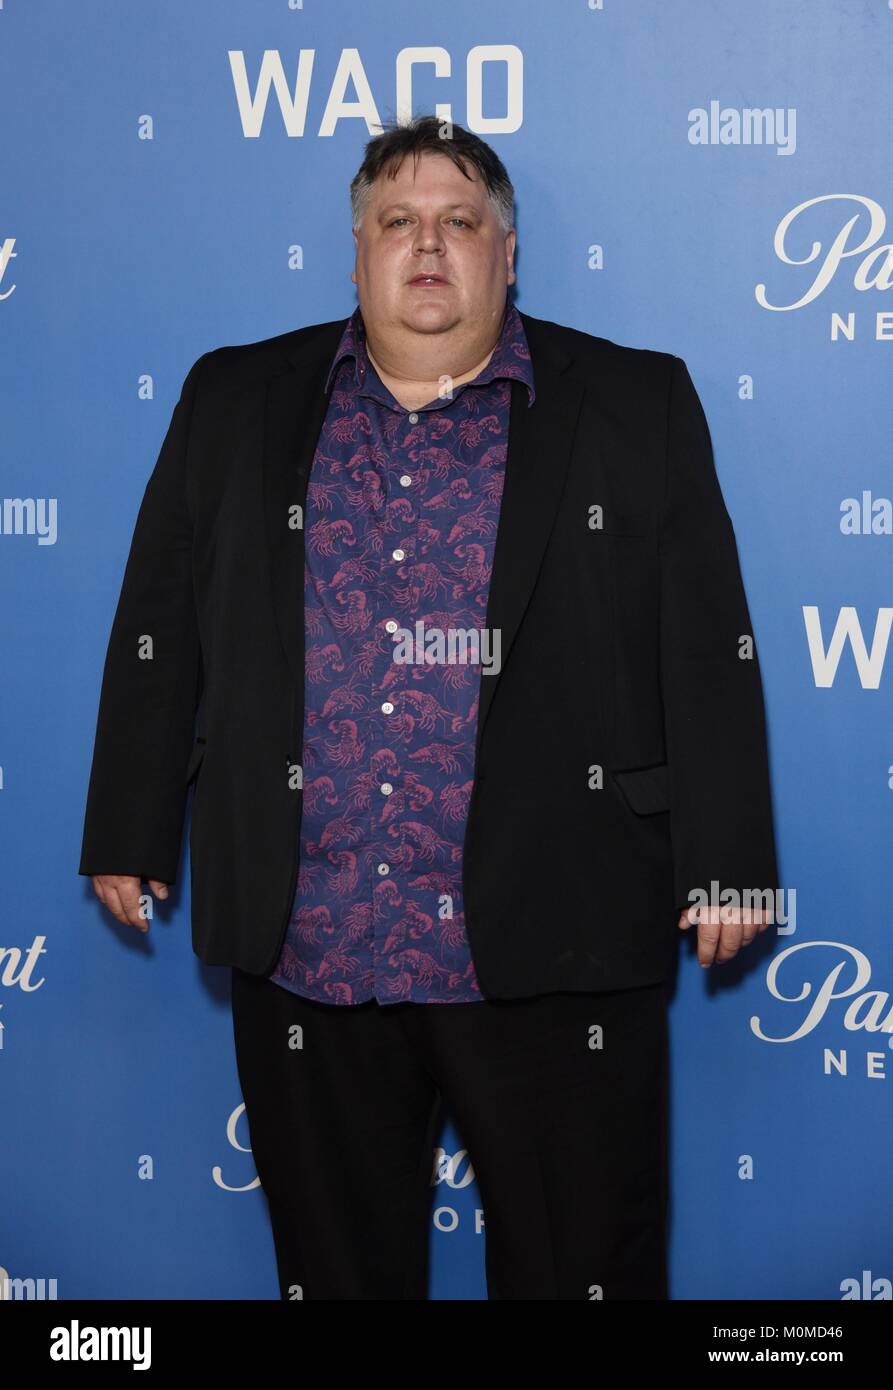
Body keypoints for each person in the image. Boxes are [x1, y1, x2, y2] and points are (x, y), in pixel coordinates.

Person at [79, 115, 779, 1300]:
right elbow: (161, 622)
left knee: (580, 1272)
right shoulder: (233, 397)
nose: (427, 246)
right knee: (336, 1274)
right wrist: (129, 826)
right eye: (397, 221)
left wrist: (729, 861)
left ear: (508, 254)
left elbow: (706, 649)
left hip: (559, 942)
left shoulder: (631, 401)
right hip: (313, 942)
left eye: (459, 222)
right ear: (354, 250)